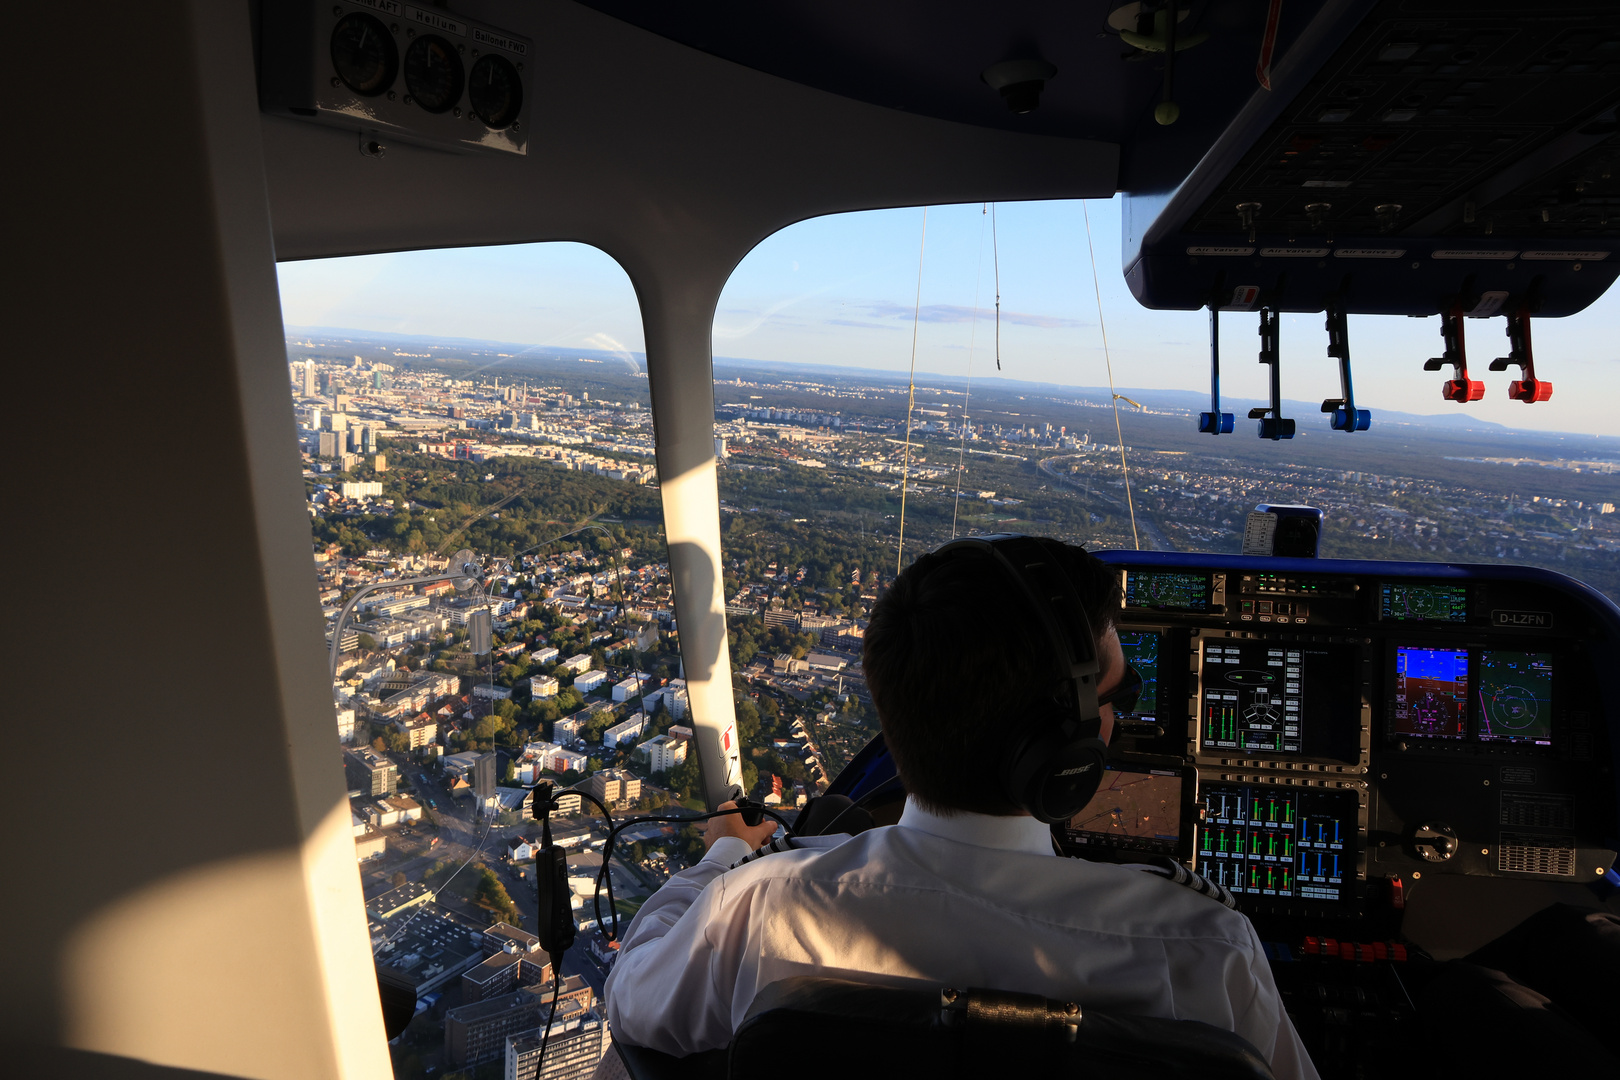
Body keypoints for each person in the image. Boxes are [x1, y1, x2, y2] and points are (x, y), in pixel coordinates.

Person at [604, 537, 1317, 1080]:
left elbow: (632, 998)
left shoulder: (759, 910)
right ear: (1059, 748)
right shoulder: (1206, 949)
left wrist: (725, 857)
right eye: (1114, 703)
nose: (1116, 724)